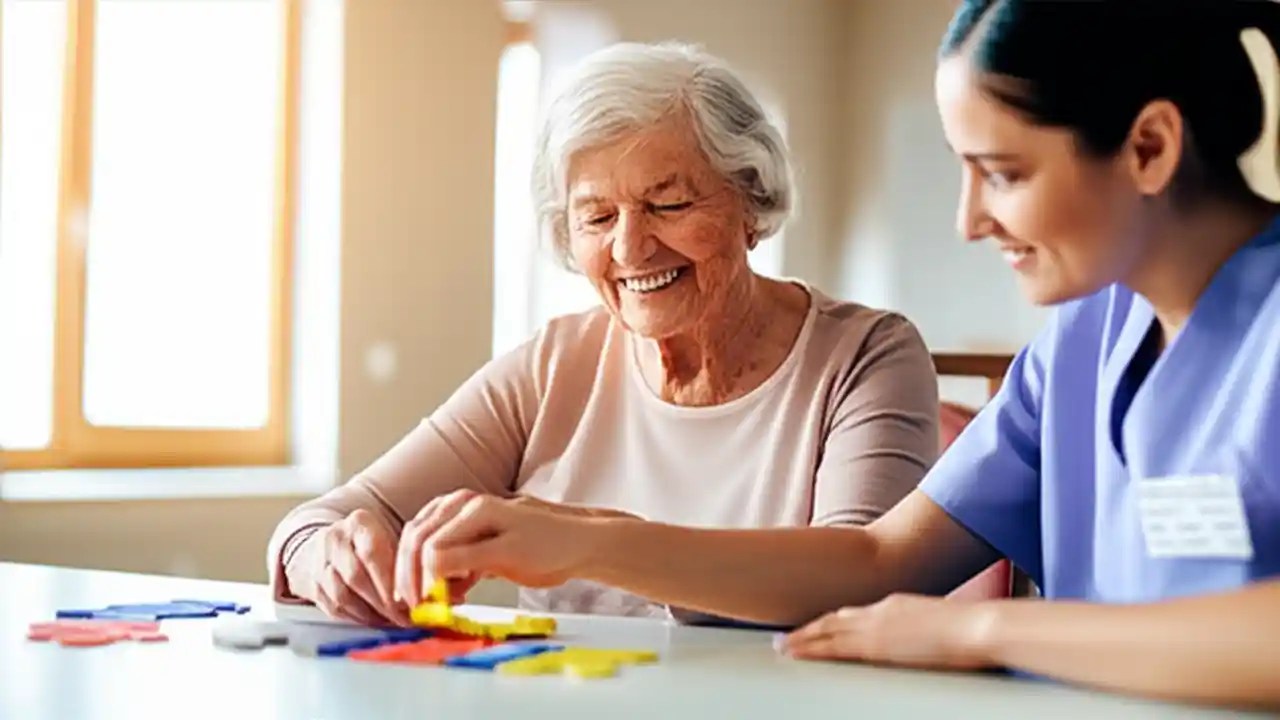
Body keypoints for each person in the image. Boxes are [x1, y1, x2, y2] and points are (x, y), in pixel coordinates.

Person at [407, 1, 1280, 708]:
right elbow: (870, 564)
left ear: (1150, 148)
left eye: (1003, 173)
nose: (968, 221)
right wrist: (588, 542)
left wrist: (978, 633)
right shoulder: (1080, 348)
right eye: (962, 173)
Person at [267, 42, 939, 626]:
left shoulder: (866, 357)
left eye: (669, 204)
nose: (632, 247)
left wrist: (587, 542)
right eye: (595, 217)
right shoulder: (553, 366)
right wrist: (334, 559)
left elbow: (864, 580)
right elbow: (313, 525)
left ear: (752, 202)